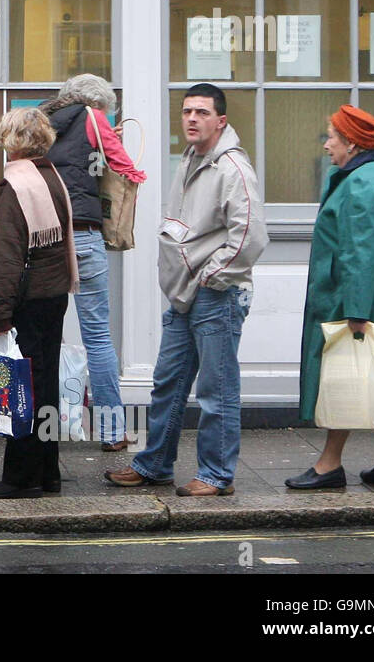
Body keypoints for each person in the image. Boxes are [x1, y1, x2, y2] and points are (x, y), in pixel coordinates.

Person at [106, 83, 267, 497]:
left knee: (217, 390)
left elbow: (249, 236)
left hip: (217, 295)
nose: (191, 119)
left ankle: (216, 475)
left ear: (221, 120)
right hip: (186, 295)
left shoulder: (231, 168)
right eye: (186, 112)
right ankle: (155, 465)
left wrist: (211, 275)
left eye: (201, 112)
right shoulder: (193, 158)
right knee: (168, 381)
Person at [285, 106, 374, 490]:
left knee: (343, 375)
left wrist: (356, 311)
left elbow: (360, 251)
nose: (326, 145)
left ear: (352, 142)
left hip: (361, 297)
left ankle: (329, 465)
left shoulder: (359, 183)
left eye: (331, 137)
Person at [0, 107, 79, 499]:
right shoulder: (52, 177)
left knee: (21, 391)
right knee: (44, 386)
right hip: (54, 296)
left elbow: (7, 255)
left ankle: (20, 477)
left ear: (11, 140)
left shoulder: (16, 186)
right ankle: (47, 471)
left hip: (28, 300)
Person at [41, 74, 146, 451]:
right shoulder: (92, 117)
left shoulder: (42, 119)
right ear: (97, 105)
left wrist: (102, 137)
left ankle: (42, 428)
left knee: (43, 333)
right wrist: (136, 174)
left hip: (44, 237)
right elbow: (124, 167)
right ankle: (113, 430)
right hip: (84, 235)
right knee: (98, 336)